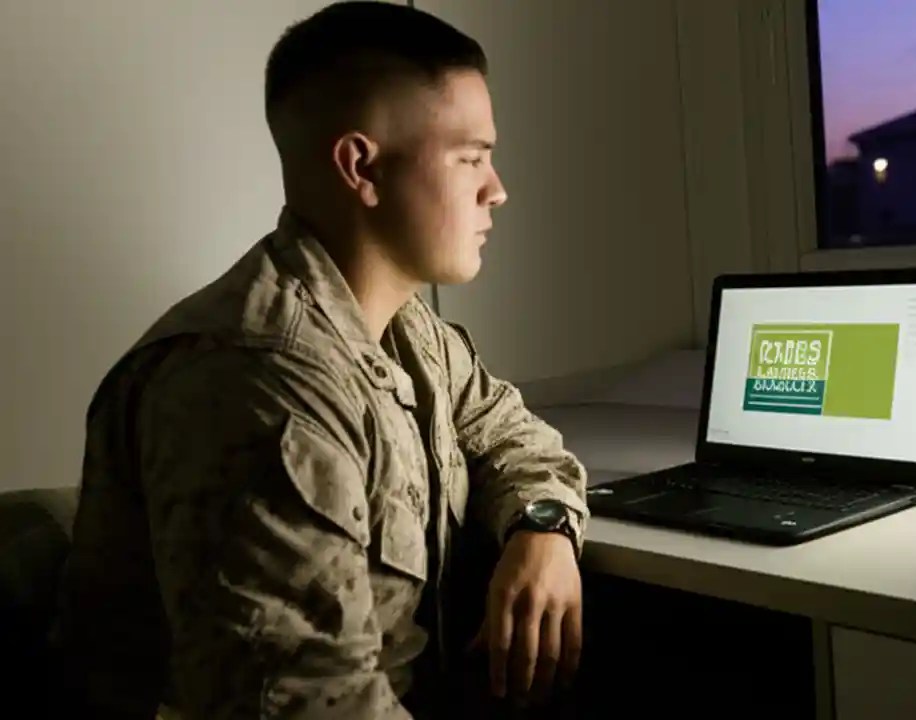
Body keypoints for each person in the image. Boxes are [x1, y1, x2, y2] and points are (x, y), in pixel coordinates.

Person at [48, 2, 590, 717]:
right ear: (361, 166)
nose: (498, 189)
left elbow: (515, 438)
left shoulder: (406, 331)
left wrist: (543, 528)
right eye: (472, 158)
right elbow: (306, 704)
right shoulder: (259, 385)